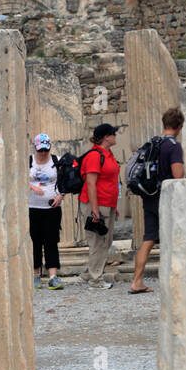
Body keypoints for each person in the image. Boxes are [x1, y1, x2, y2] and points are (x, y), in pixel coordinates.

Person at [129, 108, 185, 294]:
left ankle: (137, 281)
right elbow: (178, 176)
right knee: (175, 238)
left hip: (149, 197)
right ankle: (176, 278)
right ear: (179, 126)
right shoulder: (173, 146)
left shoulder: (154, 143)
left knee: (148, 239)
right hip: (166, 199)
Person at [80, 123, 121, 288]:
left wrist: (114, 207)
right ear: (106, 137)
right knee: (98, 241)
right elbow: (91, 184)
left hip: (107, 203)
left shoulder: (108, 154)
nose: (116, 136)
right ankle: (95, 279)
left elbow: (110, 181)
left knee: (106, 240)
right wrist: (95, 210)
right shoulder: (95, 156)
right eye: (114, 134)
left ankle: (89, 272)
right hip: (96, 203)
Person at [27, 133, 64, 289]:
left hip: (52, 208)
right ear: (36, 148)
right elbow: (17, 178)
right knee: (34, 241)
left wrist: (61, 196)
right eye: (40, 150)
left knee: (51, 241)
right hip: (32, 207)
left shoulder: (56, 160)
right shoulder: (28, 161)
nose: (43, 153)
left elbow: (64, 181)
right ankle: (36, 275)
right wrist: (32, 186)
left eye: (45, 150)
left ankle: (53, 276)